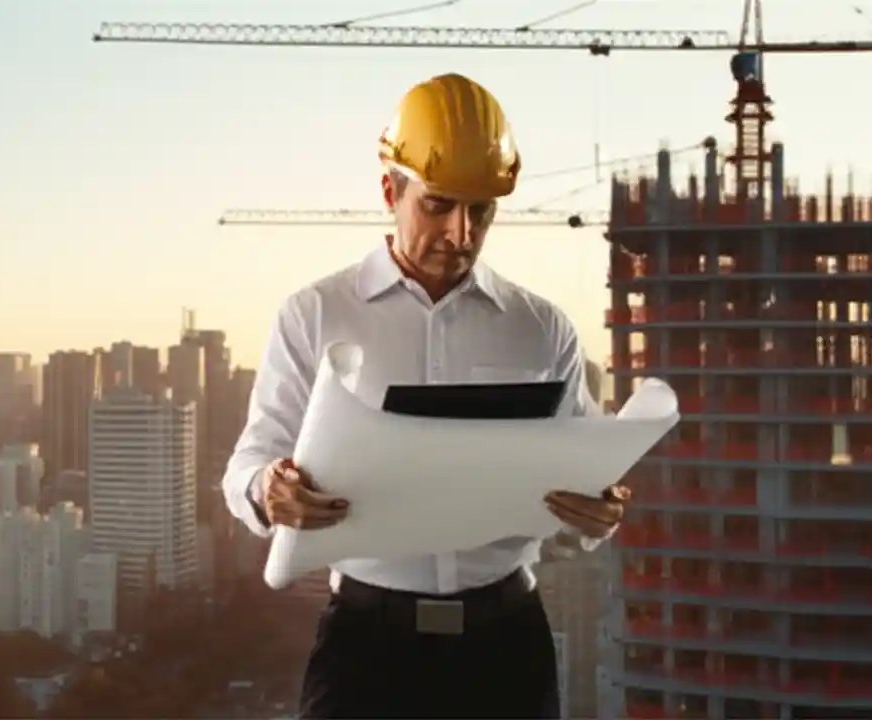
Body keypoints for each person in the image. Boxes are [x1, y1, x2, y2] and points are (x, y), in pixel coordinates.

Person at [220, 72, 631, 719]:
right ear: (391, 190)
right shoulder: (314, 315)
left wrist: (598, 513)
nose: (461, 233)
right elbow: (248, 465)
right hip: (367, 647)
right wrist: (266, 489)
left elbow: (579, 478)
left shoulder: (541, 326)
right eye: (438, 205)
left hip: (507, 647)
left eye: (481, 210)